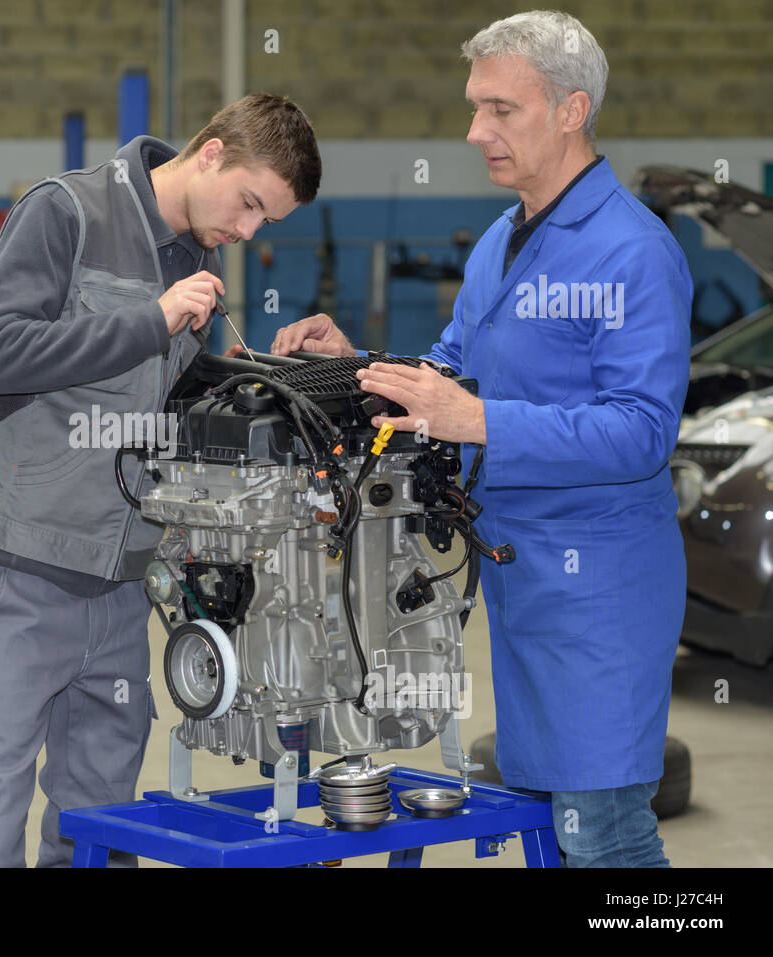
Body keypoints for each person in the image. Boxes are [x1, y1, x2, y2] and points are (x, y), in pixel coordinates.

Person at [265, 11, 691, 867]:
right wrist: (364, 368)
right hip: (520, 583)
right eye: (474, 108)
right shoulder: (504, 240)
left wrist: (478, 421)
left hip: (598, 596)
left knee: (603, 835)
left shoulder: (633, 252)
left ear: (572, 110)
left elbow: (641, 432)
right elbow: (454, 370)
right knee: (548, 827)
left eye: (501, 110)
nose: (475, 132)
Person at [0, 94, 322, 866]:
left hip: (118, 582)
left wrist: (277, 376)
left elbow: (158, 396)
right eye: (249, 204)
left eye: (265, 223)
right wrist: (152, 318)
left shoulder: (193, 260)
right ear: (210, 152)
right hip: (17, 573)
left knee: (102, 826)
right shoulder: (65, 212)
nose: (247, 232)